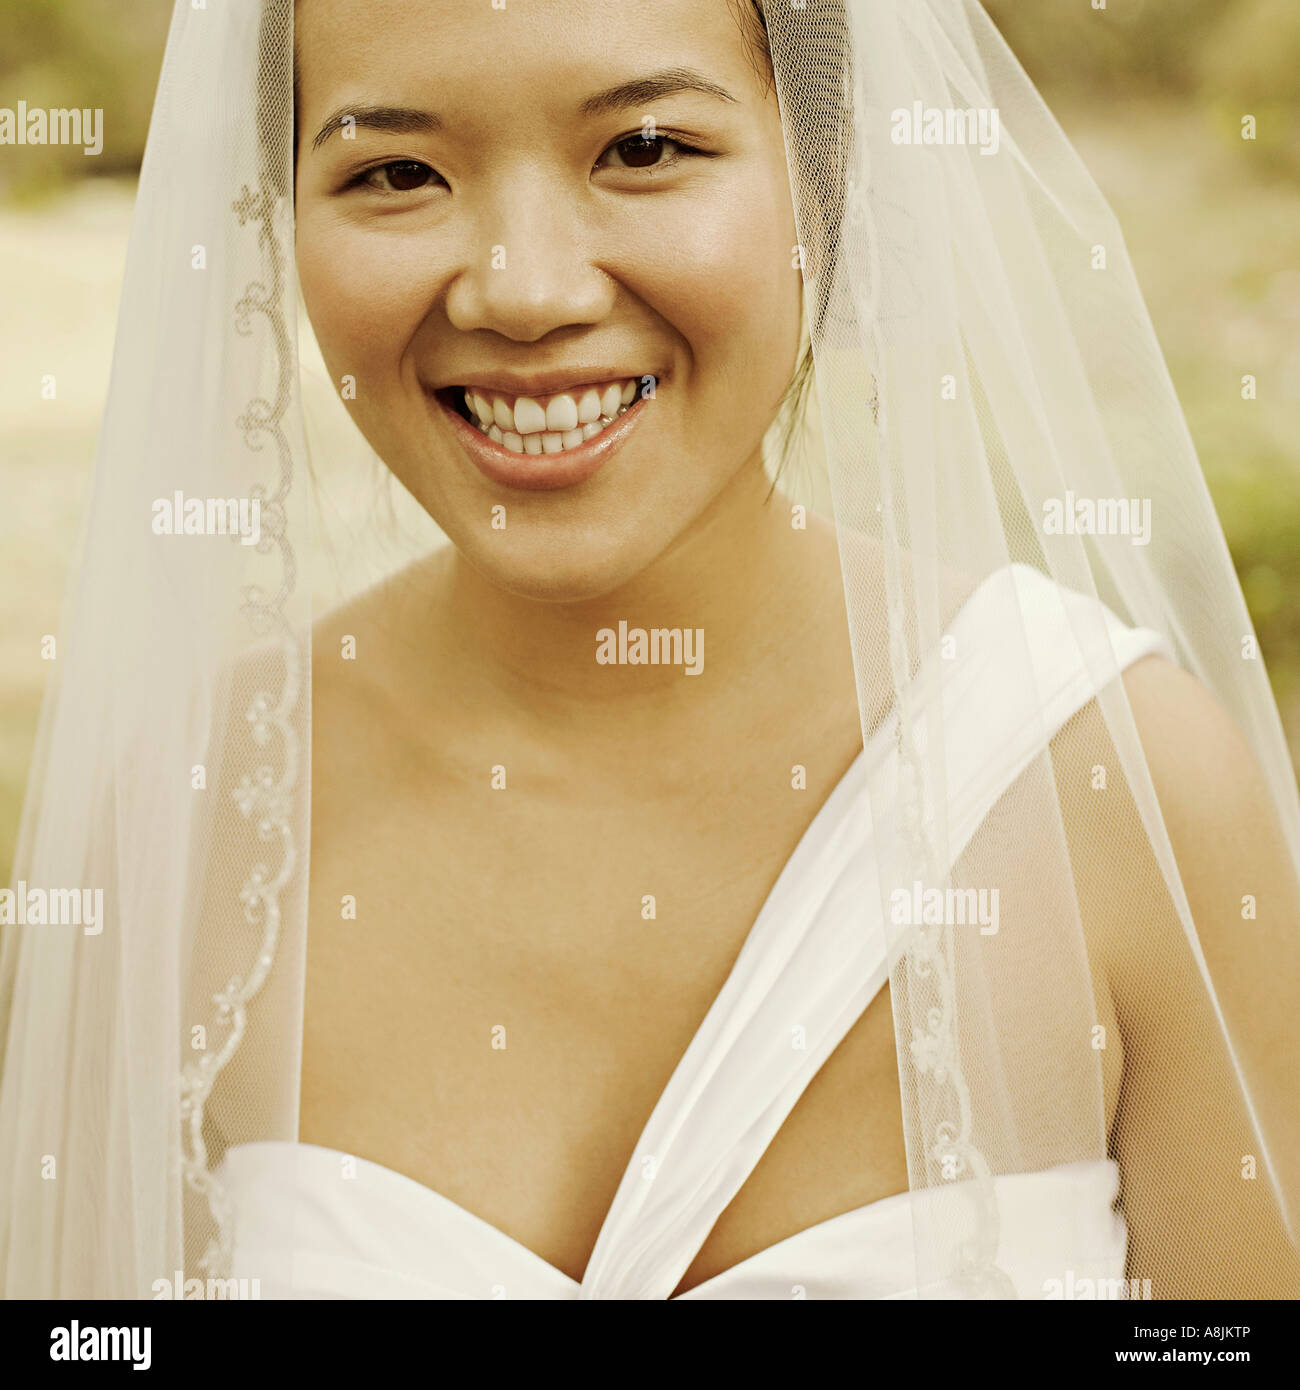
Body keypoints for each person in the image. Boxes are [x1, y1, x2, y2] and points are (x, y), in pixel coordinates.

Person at [2, 0, 1298, 1300]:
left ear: (824, 175)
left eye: (644, 149)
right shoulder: (188, 821)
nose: (524, 289)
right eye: (396, 172)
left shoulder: (1123, 785)